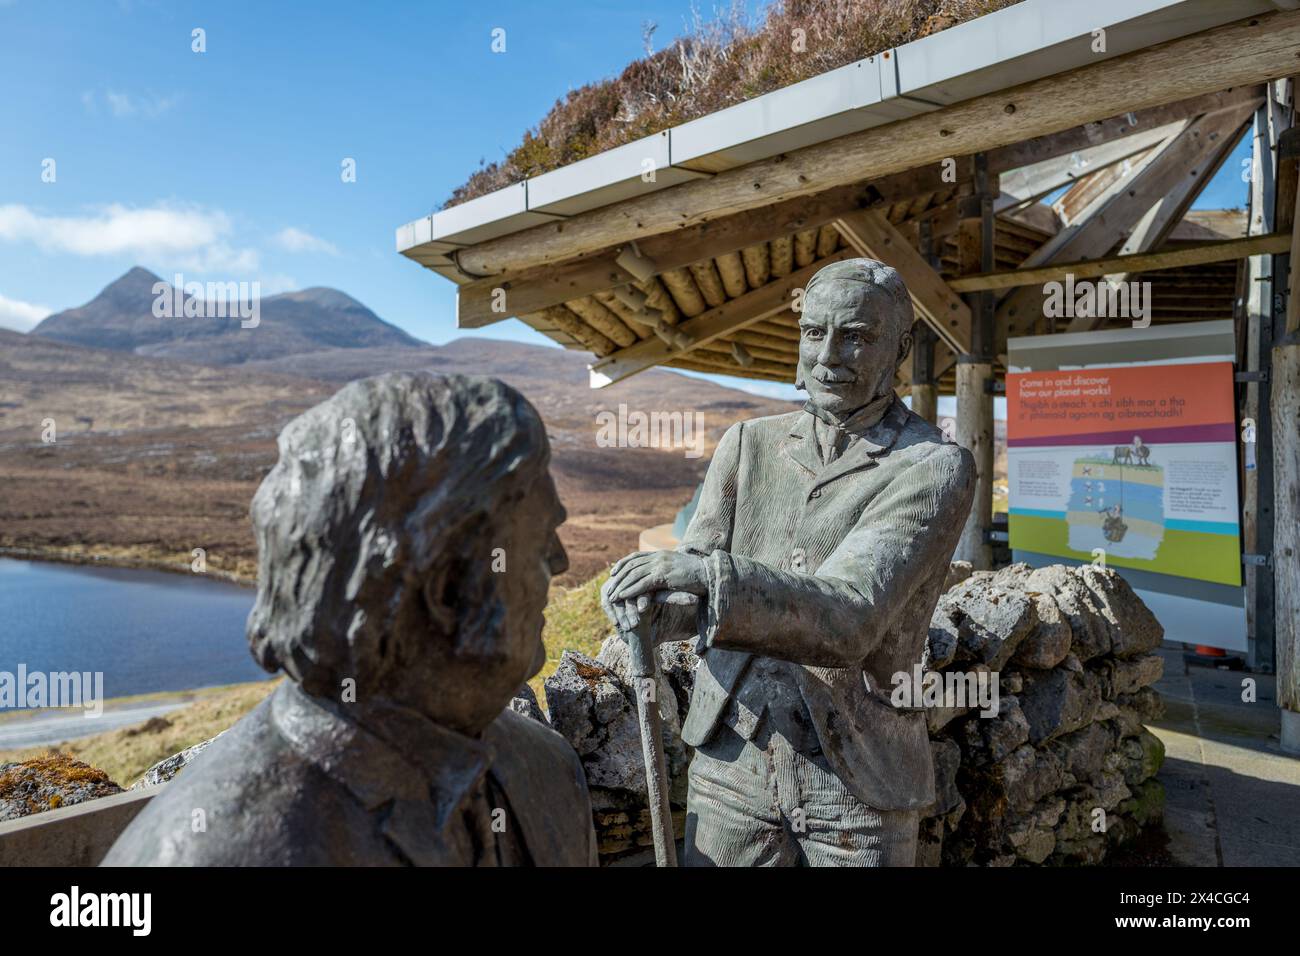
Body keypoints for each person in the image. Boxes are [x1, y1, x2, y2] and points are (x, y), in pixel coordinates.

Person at [104, 373, 596, 866]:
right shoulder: (207, 854)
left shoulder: (547, 769)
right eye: (542, 538)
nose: (560, 562)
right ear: (446, 588)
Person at [603, 258, 975, 866]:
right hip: (729, 764)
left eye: (856, 335)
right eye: (813, 332)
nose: (829, 354)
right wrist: (646, 602)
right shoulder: (746, 445)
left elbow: (852, 616)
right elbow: (690, 598)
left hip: (857, 780)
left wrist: (705, 576)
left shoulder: (932, 467)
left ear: (901, 347)